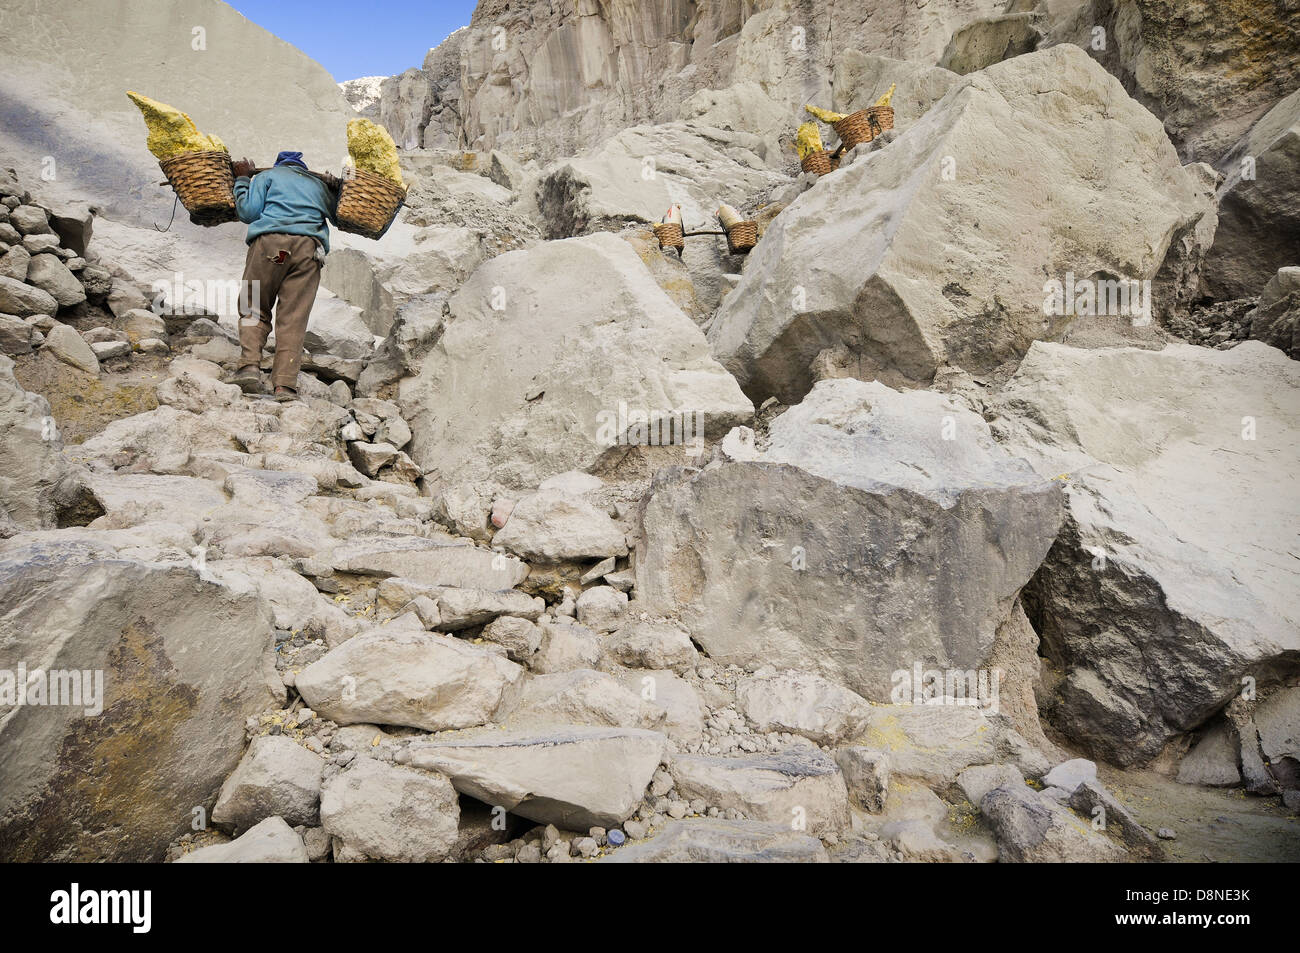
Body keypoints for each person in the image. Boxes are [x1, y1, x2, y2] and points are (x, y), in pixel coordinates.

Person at [229, 151, 340, 400]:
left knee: (254, 306)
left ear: (280, 165)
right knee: (294, 318)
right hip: (309, 251)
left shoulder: (267, 177)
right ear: (303, 168)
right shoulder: (318, 185)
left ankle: (249, 366)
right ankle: (285, 385)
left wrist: (243, 180)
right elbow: (339, 216)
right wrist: (336, 190)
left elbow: (247, 212)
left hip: (269, 244)